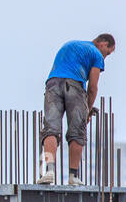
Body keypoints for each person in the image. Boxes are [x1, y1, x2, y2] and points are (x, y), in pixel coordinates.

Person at [37, 34, 115, 186]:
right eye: (108, 53)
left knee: (51, 129)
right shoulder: (96, 54)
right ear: (103, 44)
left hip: (53, 84)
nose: (105, 57)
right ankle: (73, 176)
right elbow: (93, 87)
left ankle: (49, 172)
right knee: (77, 132)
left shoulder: (70, 44)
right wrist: (87, 110)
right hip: (74, 86)